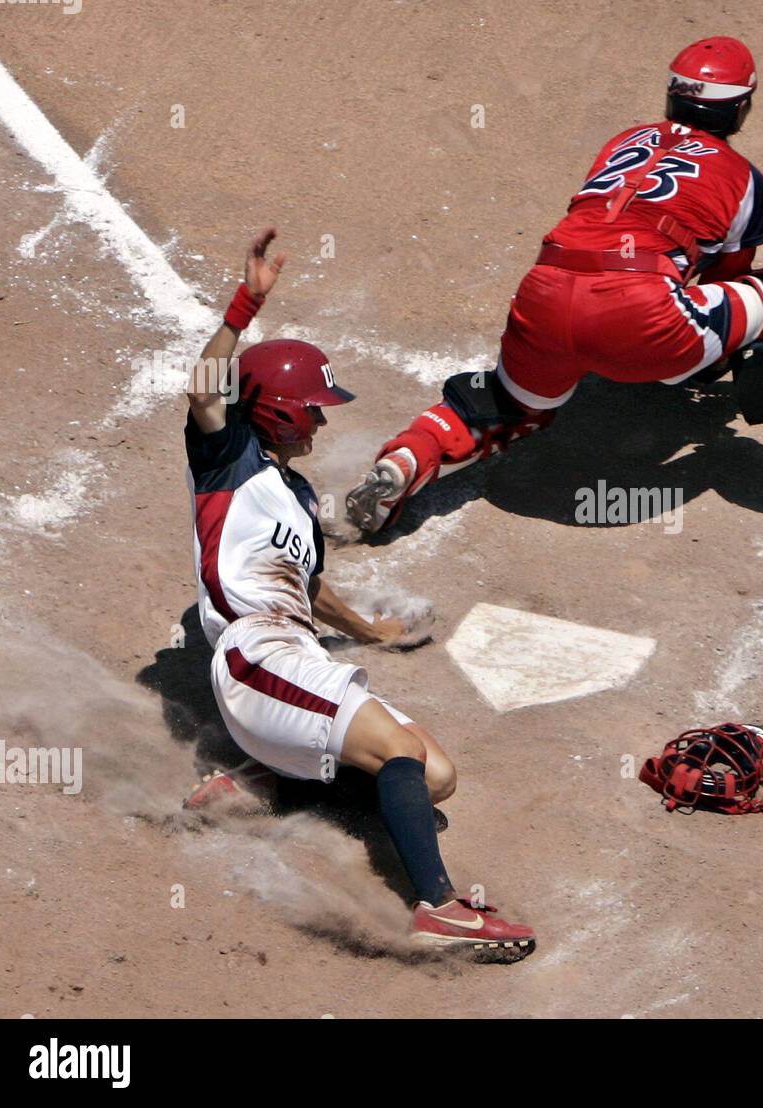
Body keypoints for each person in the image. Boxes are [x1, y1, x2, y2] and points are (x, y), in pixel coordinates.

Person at [346, 35, 763, 536]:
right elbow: (729, 278)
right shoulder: (743, 176)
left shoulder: (623, 141)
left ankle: (410, 456)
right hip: (641, 312)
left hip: (545, 290)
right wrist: (693, 365)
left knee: (513, 403)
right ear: (740, 107)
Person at [182, 227, 534, 960]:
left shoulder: (297, 494)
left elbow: (309, 589)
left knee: (435, 775)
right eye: (311, 406)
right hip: (256, 656)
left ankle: (265, 782)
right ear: (275, 409)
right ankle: (439, 907)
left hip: (291, 657)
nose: (321, 417)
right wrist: (244, 305)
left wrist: (369, 632)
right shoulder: (228, 457)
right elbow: (204, 389)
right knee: (393, 748)